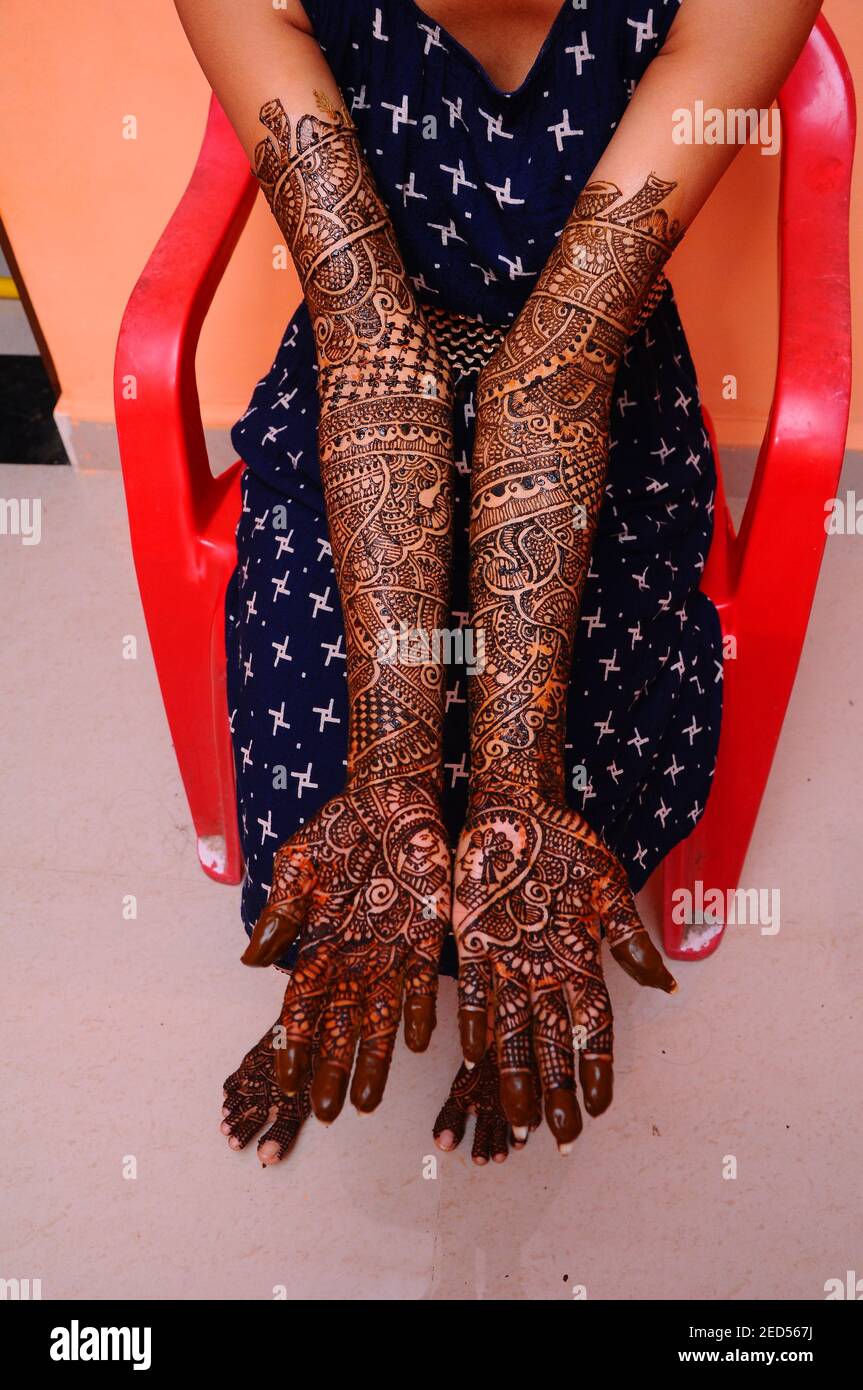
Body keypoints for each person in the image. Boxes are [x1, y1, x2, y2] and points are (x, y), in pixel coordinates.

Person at [172, 0, 822, 1166]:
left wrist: (515, 788)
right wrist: (389, 769)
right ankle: (336, 963)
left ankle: (495, 995)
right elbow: (372, 343)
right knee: (325, 722)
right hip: (361, 364)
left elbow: (551, 380)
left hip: (593, 375)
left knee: (562, 721)